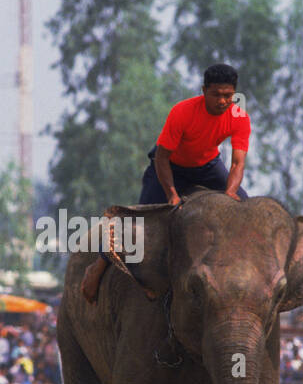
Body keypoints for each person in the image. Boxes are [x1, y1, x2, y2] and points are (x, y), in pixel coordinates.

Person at [81, 63, 251, 302]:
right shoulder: (183, 112)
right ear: (204, 91)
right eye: (216, 95)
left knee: (247, 209)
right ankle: (99, 265)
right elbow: (162, 157)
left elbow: (237, 164)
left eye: (228, 96)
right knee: (137, 222)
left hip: (209, 166)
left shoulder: (239, 117)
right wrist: (171, 194)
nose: (222, 101)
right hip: (171, 166)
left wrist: (230, 192)